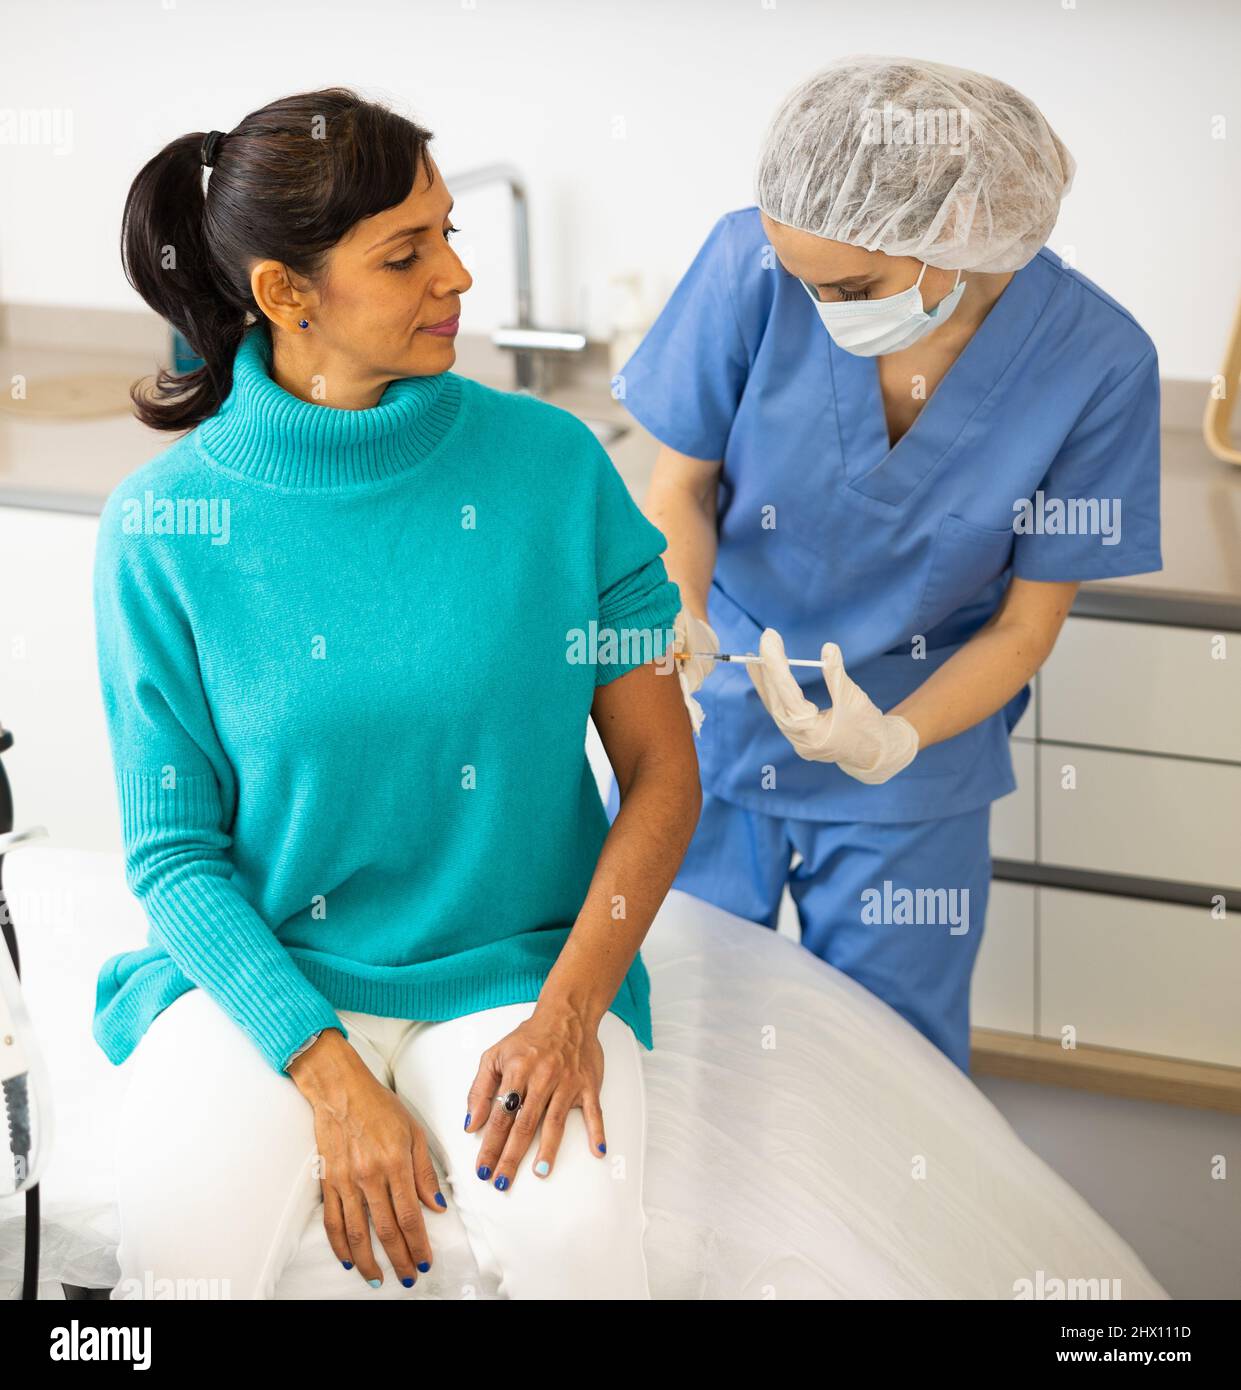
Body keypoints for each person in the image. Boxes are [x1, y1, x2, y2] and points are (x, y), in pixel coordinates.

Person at [96, 88, 699, 1300]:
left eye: (450, 234)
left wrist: (572, 1011)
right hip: (267, 974)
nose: (455, 280)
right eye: (406, 251)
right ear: (285, 292)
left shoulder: (551, 469)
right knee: (177, 1244)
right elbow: (172, 855)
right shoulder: (164, 527)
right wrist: (327, 1075)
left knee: (575, 1242)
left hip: (514, 969)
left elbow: (660, 773)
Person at [610, 56, 1161, 1073]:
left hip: (917, 744)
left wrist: (892, 739)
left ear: (954, 239)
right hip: (722, 706)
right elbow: (676, 490)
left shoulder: (1096, 360)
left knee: (888, 1060)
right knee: (660, 1012)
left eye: (851, 288)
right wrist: (679, 617)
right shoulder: (749, 261)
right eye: (802, 279)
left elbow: (1024, 625)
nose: (818, 308)